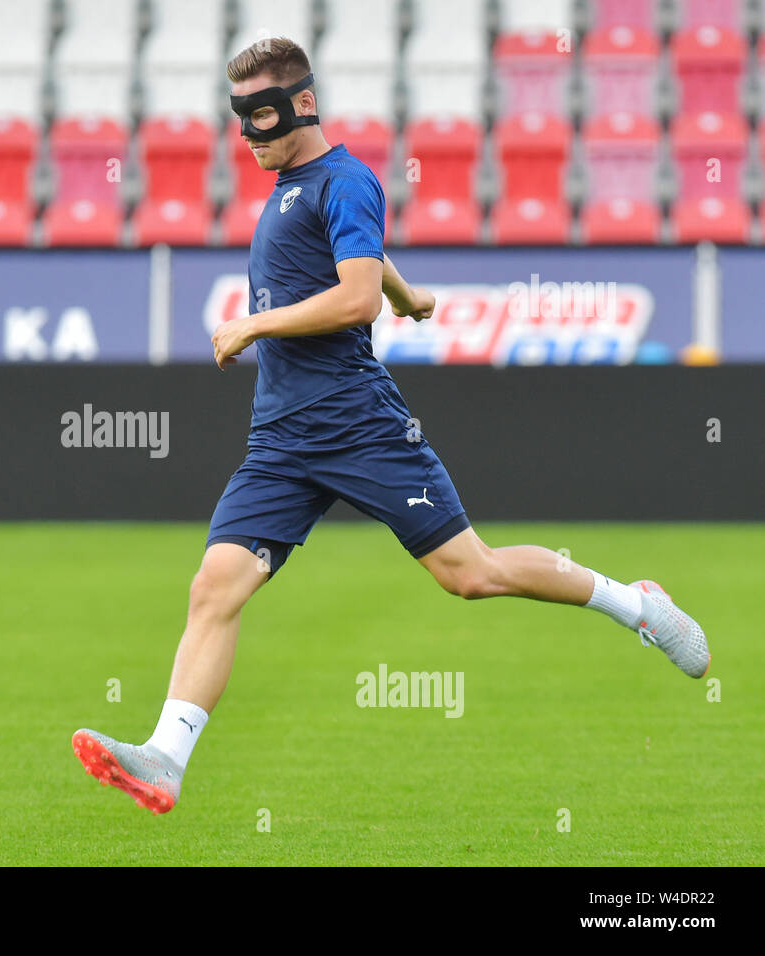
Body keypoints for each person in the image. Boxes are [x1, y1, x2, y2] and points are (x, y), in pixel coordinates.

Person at [72, 38, 708, 815]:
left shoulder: (346, 179)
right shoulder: (293, 187)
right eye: (240, 119)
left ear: (303, 103)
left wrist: (256, 325)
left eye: (261, 115)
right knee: (216, 587)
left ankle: (634, 602)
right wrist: (407, 294)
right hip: (281, 438)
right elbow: (367, 272)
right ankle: (167, 759)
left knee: (471, 575)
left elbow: (353, 299)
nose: (251, 135)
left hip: (357, 424)